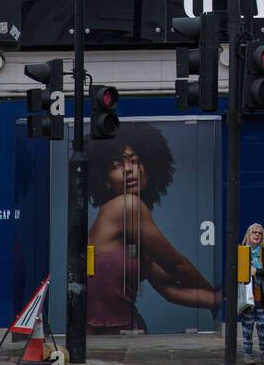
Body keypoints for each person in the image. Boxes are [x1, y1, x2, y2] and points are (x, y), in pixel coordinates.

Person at [85, 123, 219, 333]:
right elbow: (175, 264)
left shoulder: (128, 228)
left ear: (149, 166)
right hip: (103, 339)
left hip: (125, 333)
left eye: (134, 160)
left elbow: (168, 289)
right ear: (105, 180)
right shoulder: (125, 207)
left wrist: (218, 301)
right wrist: (216, 292)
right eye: (115, 165)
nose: (129, 169)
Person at [241, 222, 264, 365]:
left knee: (263, 325)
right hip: (247, 295)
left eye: (259, 233)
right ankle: (248, 354)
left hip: (261, 296)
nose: (257, 235)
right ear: (248, 235)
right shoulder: (242, 250)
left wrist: (257, 271)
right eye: (254, 232)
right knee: (247, 325)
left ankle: (263, 353)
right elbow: (235, 272)